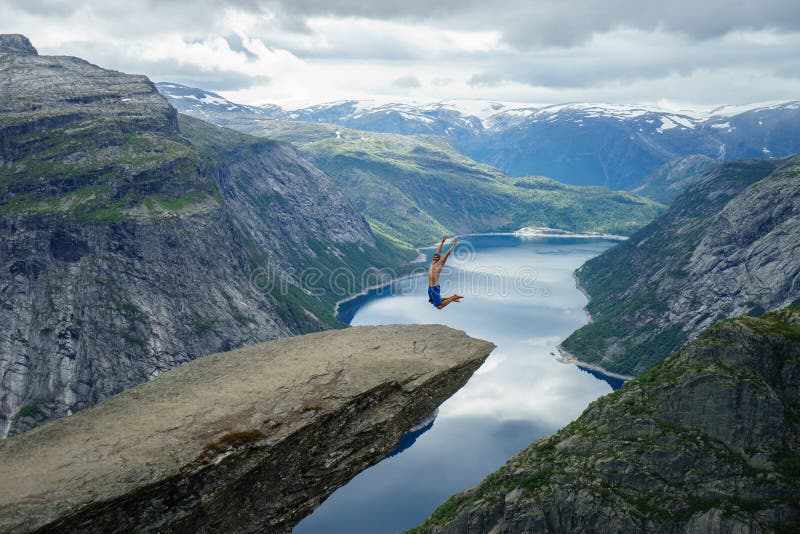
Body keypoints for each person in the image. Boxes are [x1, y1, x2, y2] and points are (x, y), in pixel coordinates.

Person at [428, 235, 464, 309]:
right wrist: (442, 242)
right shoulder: (433, 263)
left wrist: (454, 245)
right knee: (433, 301)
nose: (434, 258)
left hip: (435, 287)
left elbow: (447, 253)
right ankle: (452, 298)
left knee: (439, 306)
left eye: (436, 258)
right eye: (434, 257)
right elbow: (438, 251)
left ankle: (454, 297)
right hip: (430, 287)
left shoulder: (439, 264)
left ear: (439, 259)